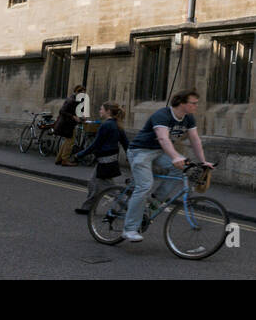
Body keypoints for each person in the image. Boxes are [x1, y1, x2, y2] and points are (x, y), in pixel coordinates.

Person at [121, 90, 214, 243]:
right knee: (144, 186)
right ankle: (129, 229)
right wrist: (175, 157)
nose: (197, 106)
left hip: (159, 152)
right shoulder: (162, 115)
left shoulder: (188, 118)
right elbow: (163, 139)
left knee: (182, 170)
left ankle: (156, 201)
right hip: (140, 151)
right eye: (193, 103)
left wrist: (203, 161)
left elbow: (195, 140)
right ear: (182, 103)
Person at [73, 102, 130, 214]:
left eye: (101, 109)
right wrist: (130, 156)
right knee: (93, 183)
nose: (100, 111)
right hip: (109, 160)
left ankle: (131, 207)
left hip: (105, 161)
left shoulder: (106, 125)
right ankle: (88, 208)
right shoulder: (117, 125)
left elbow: (96, 144)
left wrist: (79, 154)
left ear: (108, 111)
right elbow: (126, 143)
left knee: (108, 187)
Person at [55, 84, 85, 167]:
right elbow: (62, 111)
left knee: (67, 141)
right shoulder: (71, 100)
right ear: (76, 92)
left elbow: (75, 110)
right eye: (81, 93)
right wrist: (73, 117)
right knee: (70, 142)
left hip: (68, 124)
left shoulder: (75, 99)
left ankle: (59, 159)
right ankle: (65, 160)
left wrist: (81, 116)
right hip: (66, 124)